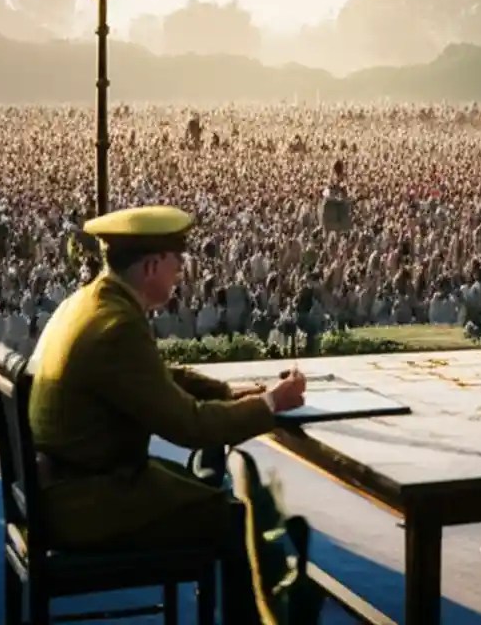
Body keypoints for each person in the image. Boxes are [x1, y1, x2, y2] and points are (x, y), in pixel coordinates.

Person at [27, 205, 308, 621]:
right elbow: (190, 426)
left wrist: (232, 393)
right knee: (231, 516)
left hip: (70, 483)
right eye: (177, 262)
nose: (180, 272)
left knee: (205, 482)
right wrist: (270, 406)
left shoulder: (92, 303)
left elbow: (154, 376)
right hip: (88, 502)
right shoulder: (117, 325)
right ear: (152, 265)